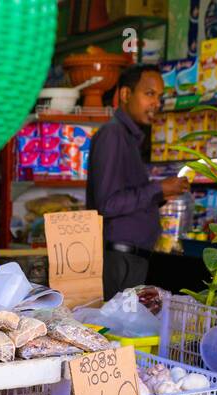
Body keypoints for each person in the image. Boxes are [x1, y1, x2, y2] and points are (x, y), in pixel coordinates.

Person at [87, 64, 189, 300]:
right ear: (125, 94)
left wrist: (162, 194)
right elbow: (108, 203)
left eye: (160, 97)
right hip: (119, 260)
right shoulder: (113, 135)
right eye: (149, 94)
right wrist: (158, 188)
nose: (156, 103)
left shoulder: (129, 138)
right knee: (115, 332)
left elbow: (126, 195)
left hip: (132, 259)